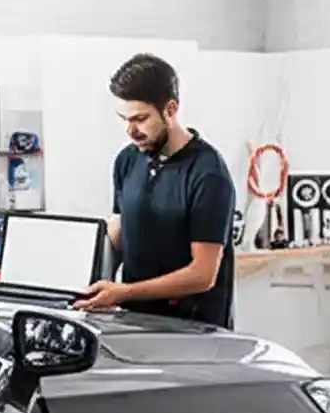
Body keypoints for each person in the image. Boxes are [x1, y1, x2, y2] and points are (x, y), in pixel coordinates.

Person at [72, 53, 237, 328]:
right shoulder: (127, 160)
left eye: (140, 119)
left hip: (195, 331)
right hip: (135, 322)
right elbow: (118, 232)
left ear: (170, 109)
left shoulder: (208, 173)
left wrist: (125, 292)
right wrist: (73, 282)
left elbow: (203, 274)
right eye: (124, 119)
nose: (130, 130)